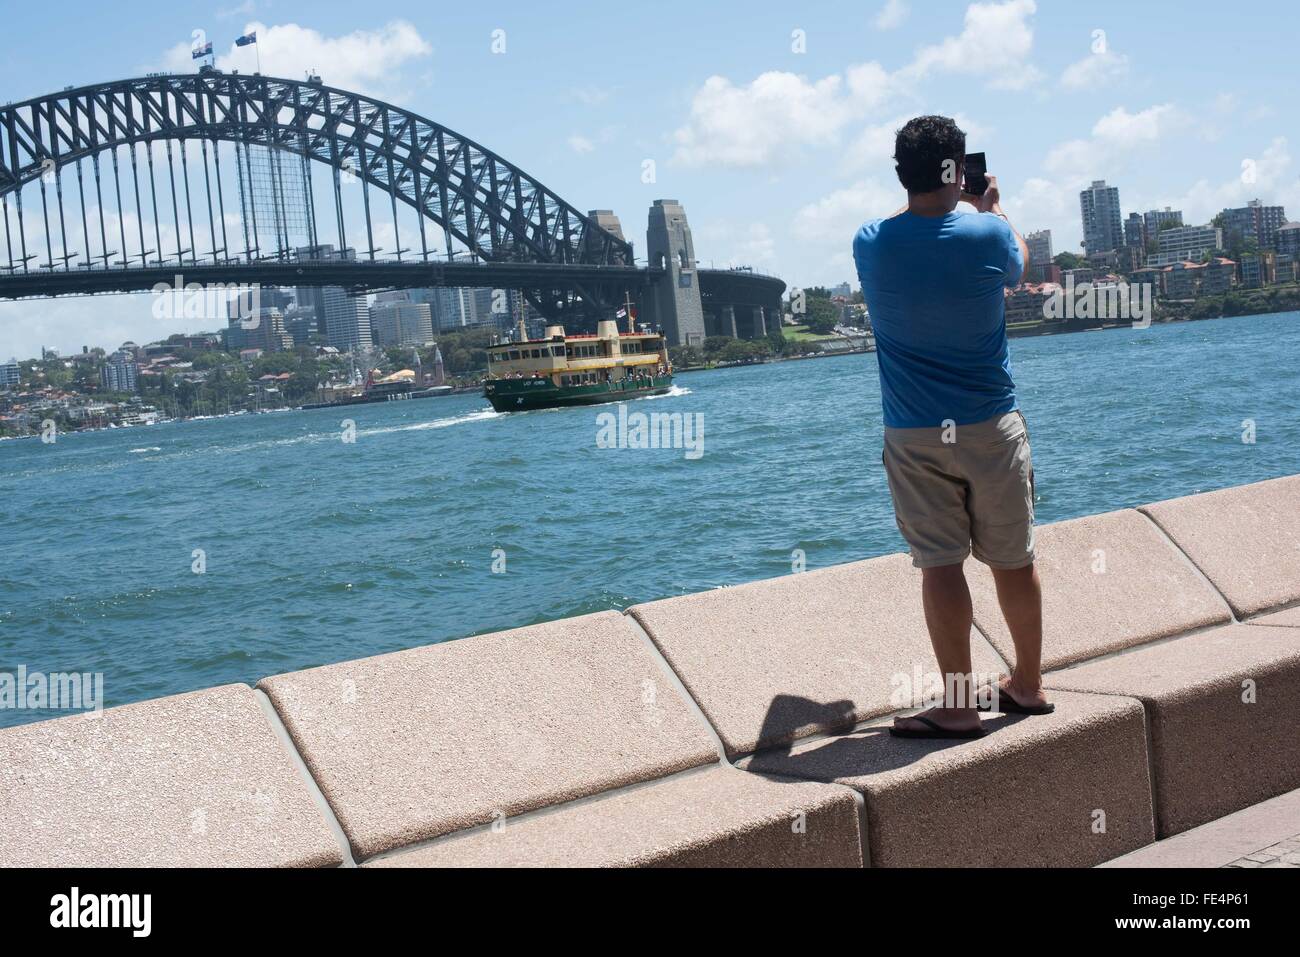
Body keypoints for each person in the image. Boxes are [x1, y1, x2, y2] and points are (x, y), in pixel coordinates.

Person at [852, 115, 1051, 740]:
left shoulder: (869, 242)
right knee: (1013, 562)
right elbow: (1019, 261)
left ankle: (959, 704)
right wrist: (991, 204)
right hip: (992, 425)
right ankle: (1027, 684)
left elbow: (906, 224)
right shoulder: (989, 234)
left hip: (913, 433)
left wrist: (935, 190)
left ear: (900, 172)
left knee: (941, 566)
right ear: (957, 169)